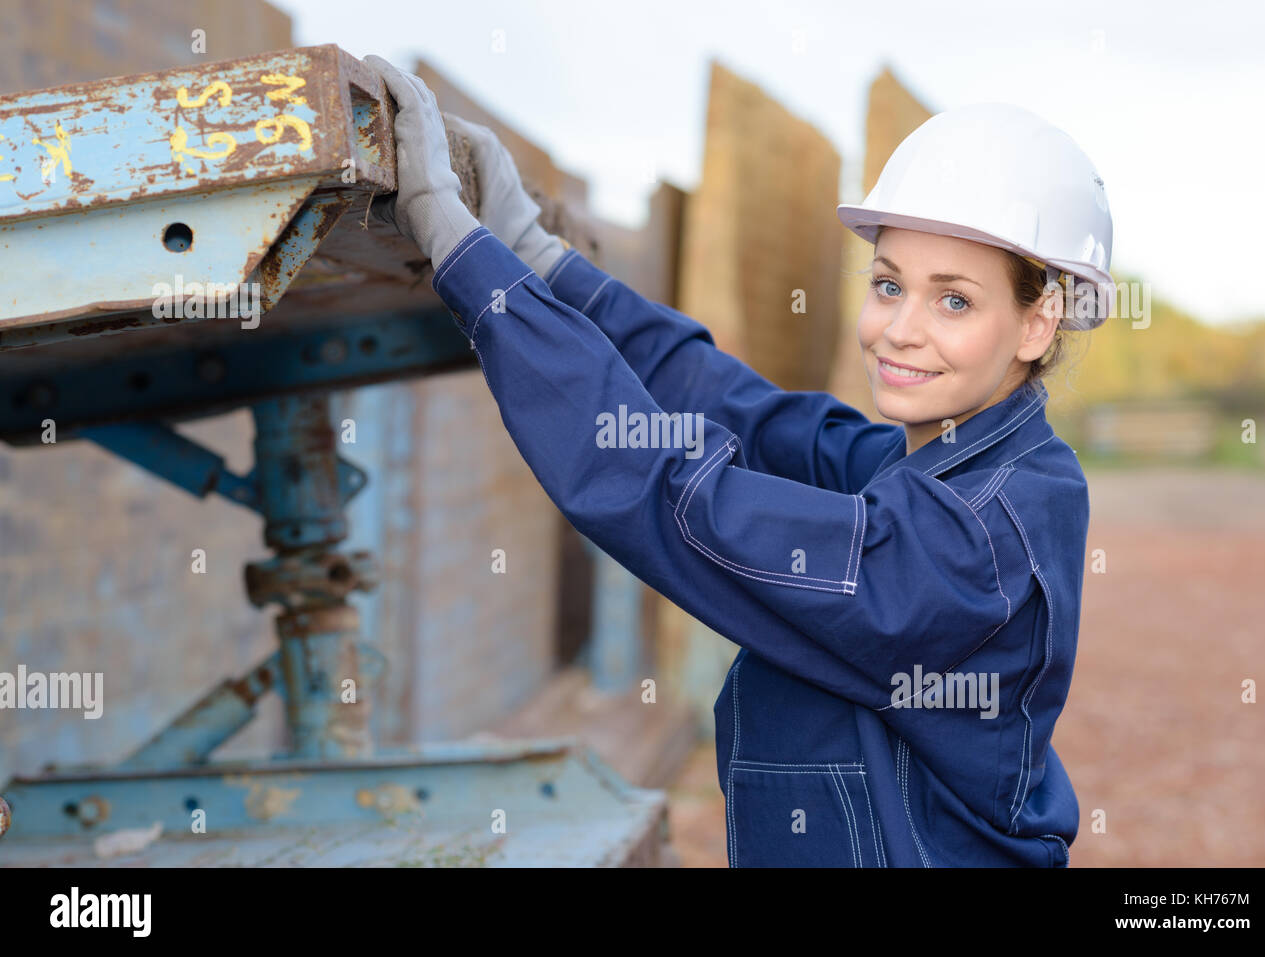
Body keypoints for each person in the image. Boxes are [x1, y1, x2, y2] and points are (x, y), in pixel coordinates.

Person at [363, 54, 1116, 867]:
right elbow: (746, 415)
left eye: (955, 299)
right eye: (890, 283)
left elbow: (679, 501)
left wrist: (474, 267)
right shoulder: (958, 468)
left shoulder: (967, 543)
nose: (900, 329)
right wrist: (539, 260)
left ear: (1039, 323)